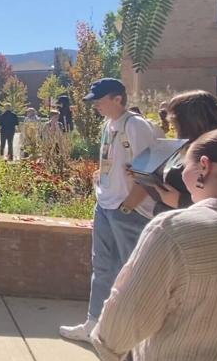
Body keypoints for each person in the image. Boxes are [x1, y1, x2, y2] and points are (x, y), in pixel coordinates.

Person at [91, 128, 217, 361]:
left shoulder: (174, 231)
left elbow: (119, 329)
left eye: (184, 166)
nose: (180, 173)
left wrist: (107, 349)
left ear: (204, 166)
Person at [59, 78, 157, 343]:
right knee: (102, 267)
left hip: (128, 210)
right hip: (105, 205)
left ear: (118, 99)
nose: (96, 106)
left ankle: (129, 334)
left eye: (100, 101)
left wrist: (128, 206)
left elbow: (150, 171)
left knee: (131, 271)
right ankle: (94, 324)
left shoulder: (136, 126)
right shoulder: (109, 125)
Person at [144, 90, 217, 216]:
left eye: (174, 122)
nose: (173, 127)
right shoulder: (184, 146)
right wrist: (143, 177)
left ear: (188, 122)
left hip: (197, 222)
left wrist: (182, 202)